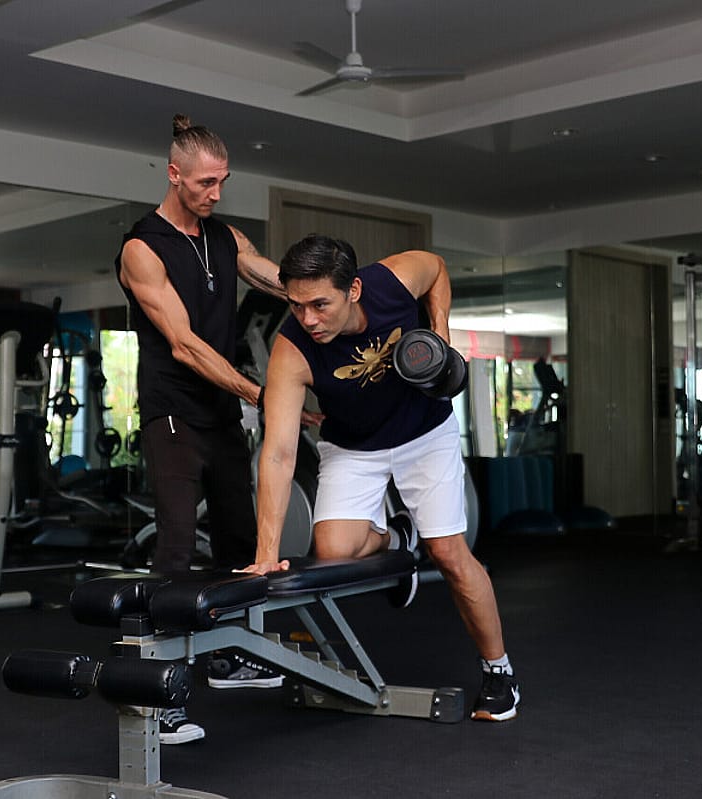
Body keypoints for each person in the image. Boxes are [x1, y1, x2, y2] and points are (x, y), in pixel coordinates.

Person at [245, 234, 521, 722]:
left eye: (319, 304)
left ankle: (499, 672)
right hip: (353, 448)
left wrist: (439, 334)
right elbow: (279, 454)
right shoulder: (292, 351)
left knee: (450, 554)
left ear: (353, 289)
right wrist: (266, 555)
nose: (308, 319)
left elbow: (436, 267)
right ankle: (398, 536)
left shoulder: (390, 282)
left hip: (424, 432)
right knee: (332, 551)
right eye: (297, 305)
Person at [115, 114, 288, 744]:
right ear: (174, 174)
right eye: (206, 183)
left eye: (223, 182)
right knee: (178, 549)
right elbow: (185, 345)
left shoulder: (224, 237)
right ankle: (157, 699)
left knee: (242, 546)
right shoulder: (142, 247)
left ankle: (226, 654)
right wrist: (259, 393)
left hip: (219, 414)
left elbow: (268, 273)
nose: (216, 193)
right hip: (173, 412)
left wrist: (324, 293)